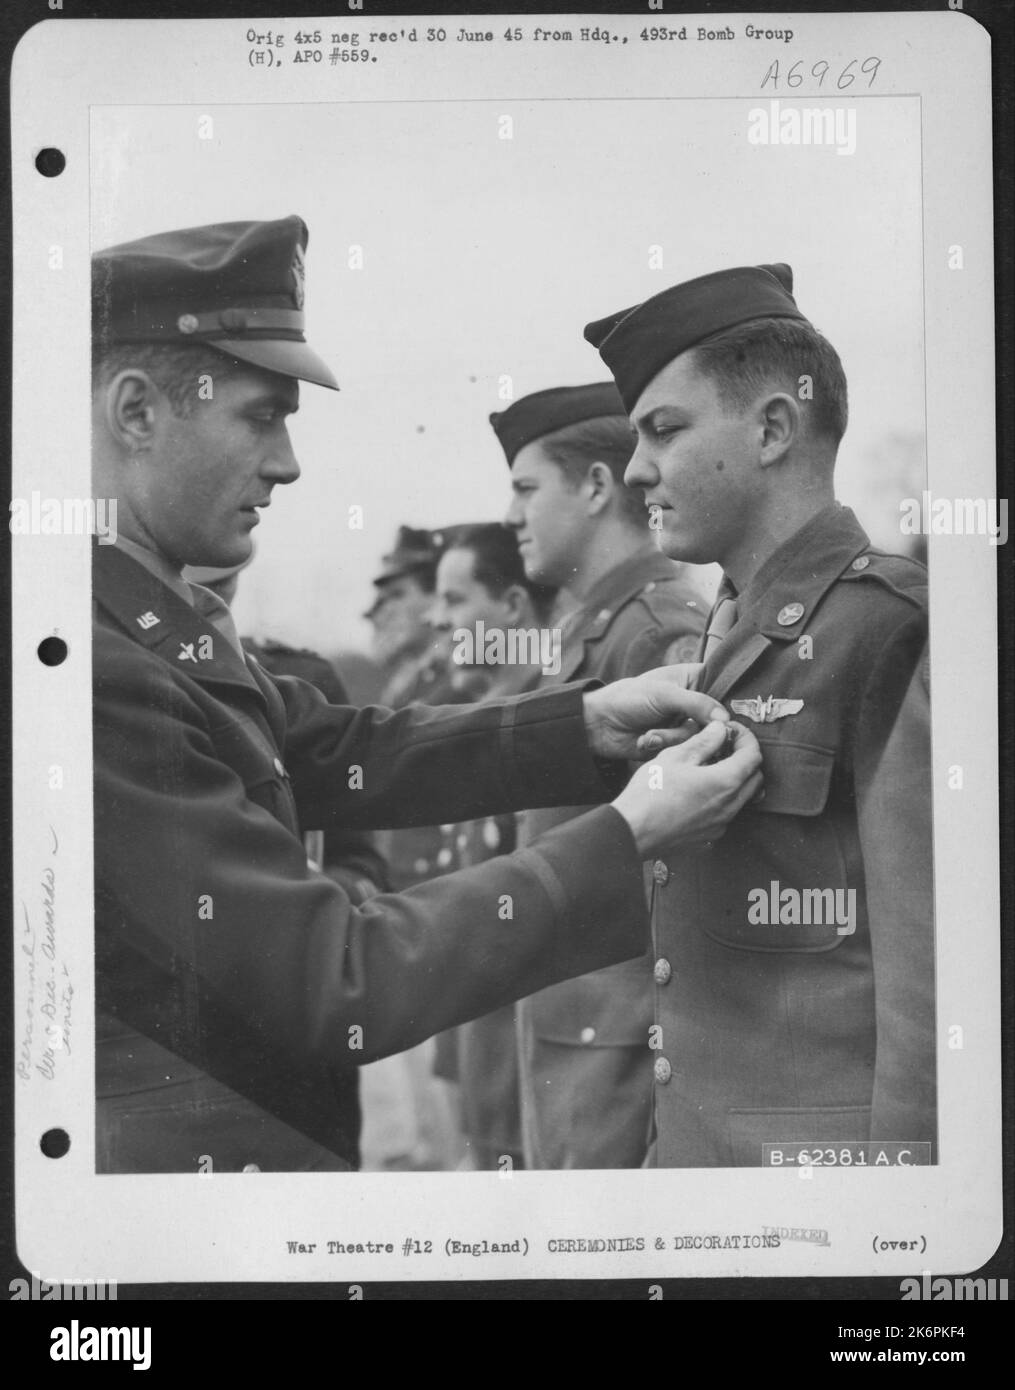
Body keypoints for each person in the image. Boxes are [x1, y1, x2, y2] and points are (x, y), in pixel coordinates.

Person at [90, 215, 763, 1173]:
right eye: (260, 414)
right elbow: (337, 983)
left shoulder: (139, 627)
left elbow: (338, 751)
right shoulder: (95, 668)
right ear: (137, 412)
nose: (287, 461)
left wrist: (581, 725)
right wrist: (629, 834)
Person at [585, 261, 934, 1166]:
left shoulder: (891, 629)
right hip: (695, 1165)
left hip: (817, 1201)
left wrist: (890, 1220)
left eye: (663, 430)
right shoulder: (726, 627)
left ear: (773, 427)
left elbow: (929, 989)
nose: (635, 469)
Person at [494, 384, 707, 1168]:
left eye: (525, 489)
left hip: (621, 1040)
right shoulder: (590, 626)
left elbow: (685, 868)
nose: (510, 517)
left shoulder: (659, 631)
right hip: (572, 1025)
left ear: (593, 487)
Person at [428, 522, 556, 1170]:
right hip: (485, 1075)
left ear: (510, 606)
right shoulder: (487, 718)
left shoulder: (546, 724)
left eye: (454, 601)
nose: (436, 620)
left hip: (529, 1087)